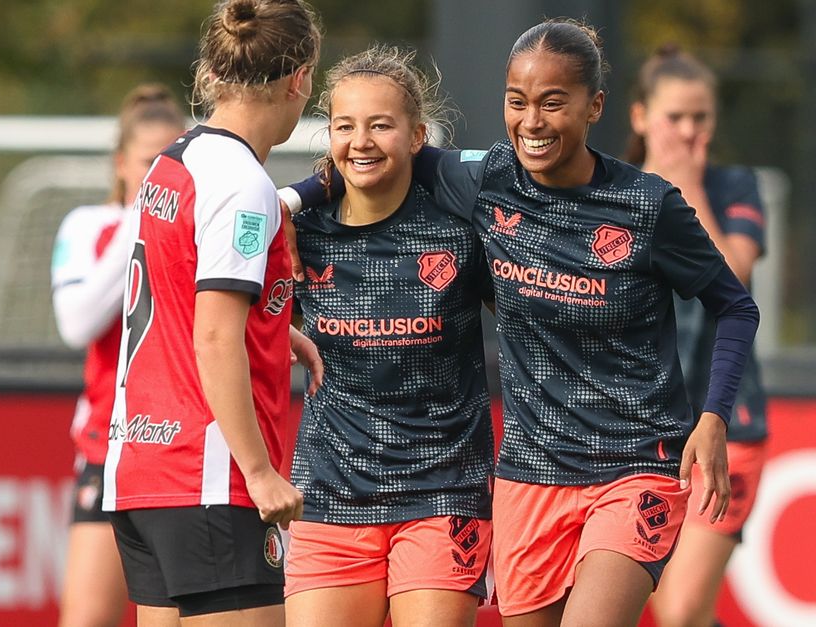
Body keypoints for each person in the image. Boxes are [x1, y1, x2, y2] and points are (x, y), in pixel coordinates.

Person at [282, 18, 759, 627]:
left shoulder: (648, 205)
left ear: (596, 107)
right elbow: (372, 150)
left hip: (636, 459)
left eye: (553, 103)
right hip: (530, 472)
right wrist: (293, 200)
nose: (532, 122)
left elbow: (735, 305)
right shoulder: (487, 180)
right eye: (517, 102)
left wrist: (714, 414)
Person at [101, 1, 322, 626]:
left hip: (143, 466)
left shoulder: (174, 160)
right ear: (298, 78)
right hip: (209, 477)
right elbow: (215, 337)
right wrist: (260, 472)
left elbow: (178, 298)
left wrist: (279, 329)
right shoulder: (241, 181)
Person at [280, 46, 494, 627]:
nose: (361, 141)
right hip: (329, 493)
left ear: (418, 135)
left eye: (381, 125)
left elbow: (533, 321)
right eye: (345, 126)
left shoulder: (460, 231)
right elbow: (243, 333)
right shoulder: (299, 234)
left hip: (443, 493)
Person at [624, 45, 770, 627]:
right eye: (675, 116)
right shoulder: (614, 190)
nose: (688, 131)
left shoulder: (734, 186)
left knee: (680, 608)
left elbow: (736, 276)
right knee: (675, 605)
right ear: (639, 116)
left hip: (729, 426)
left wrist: (686, 189)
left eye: (700, 118)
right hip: (639, 431)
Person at [50, 83, 186, 627]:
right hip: (108, 446)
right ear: (122, 164)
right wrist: (143, 218)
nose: (161, 174)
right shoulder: (91, 225)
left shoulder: (197, 225)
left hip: (178, 446)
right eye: (151, 161)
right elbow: (77, 321)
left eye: (173, 160)